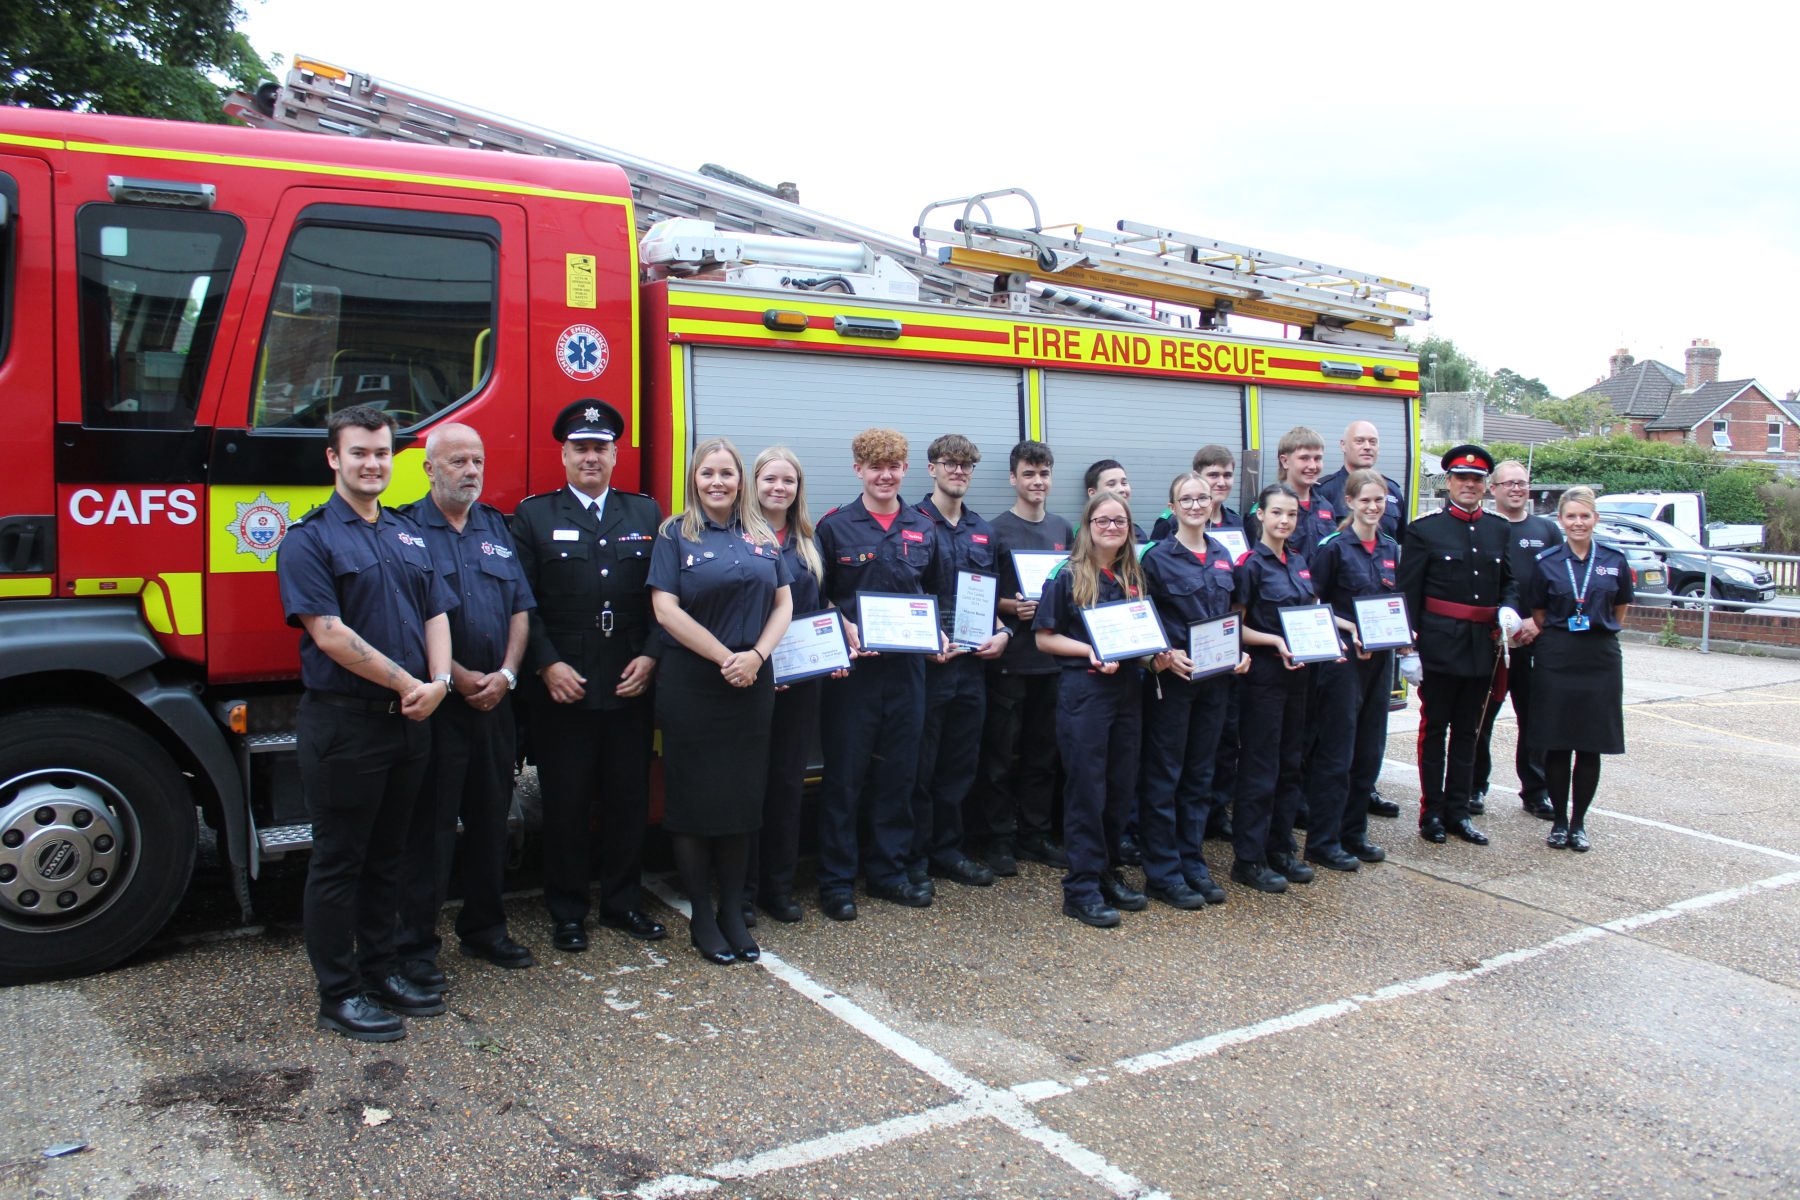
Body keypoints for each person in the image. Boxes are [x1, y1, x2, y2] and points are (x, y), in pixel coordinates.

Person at [277, 405, 456, 1042]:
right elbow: (327, 633)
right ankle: (339, 992)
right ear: (334, 458)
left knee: (391, 857)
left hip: (408, 723)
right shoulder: (310, 538)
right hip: (345, 726)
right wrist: (413, 686)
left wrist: (438, 683)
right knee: (339, 863)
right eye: (359, 453)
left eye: (381, 453)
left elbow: (437, 611)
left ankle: (382, 972)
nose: (372, 464)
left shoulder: (407, 535)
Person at [511, 400, 666, 953]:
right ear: (565, 454)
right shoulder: (533, 515)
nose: (591, 457)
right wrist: (546, 664)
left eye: (601, 447)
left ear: (615, 453)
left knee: (628, 801)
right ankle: (568, 911)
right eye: (581, 447)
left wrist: (650, 657)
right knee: (567, 803)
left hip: (629, 679)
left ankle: (624, 903)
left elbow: (663, 599)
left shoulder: (645, 513)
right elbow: (522, 602)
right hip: (563, 684)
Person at [395, 423, 536, 988]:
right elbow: (406, 616)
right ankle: (416, 946)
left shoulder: (497, 528)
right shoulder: (405, 531)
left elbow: (521, 608)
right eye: (457, 461)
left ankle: (485, 929)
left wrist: (505, 674)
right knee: (428, 829)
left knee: (489, 820)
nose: (470, 471)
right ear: (430, 468)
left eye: (476, 460)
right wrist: (454, 676)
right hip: (440, 706)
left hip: (495, 703)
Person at [649, 438, 793, 963]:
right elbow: (665, 609)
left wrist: (755, 655)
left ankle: (733, 910)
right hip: (694, 682)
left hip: (751, 681)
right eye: (707, 472)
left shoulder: (760, 535)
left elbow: (784, 601)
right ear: (694, 478)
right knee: (693, 802)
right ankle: (703, 919)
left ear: (740, 480)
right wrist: (724, 658)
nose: (717, 481)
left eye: (727, 473)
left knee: (741, 799)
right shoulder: (674, 532)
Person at [812, 428, 946, 920]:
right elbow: (817, 594)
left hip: (908, 671)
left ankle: (888, 872)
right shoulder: (834, 526)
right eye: (875, 467)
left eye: (893, 466)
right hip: (853, 675)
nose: (885, 475)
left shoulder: (922, 526)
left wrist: (939, 636)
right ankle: (837, 881)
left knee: (898, 774)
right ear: (858, 470)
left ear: (905, 469)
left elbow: (933, 594)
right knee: (845, 777)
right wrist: (840, 624)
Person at [1034, 491, 1173, 926]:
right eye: (1103, 521)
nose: (1111, 528)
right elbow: (1044, 638)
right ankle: (1080, 888)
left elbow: (1139, 638)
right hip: (1085, 694)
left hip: (1127, 694)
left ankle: (1108, 872)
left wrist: (1155, 657)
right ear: (1088, 526)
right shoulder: (1068, 575)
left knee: (1119, 788)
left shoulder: (1132, 576)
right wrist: (1090, 651)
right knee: (1087, 792)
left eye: (1120, 522)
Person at [1397, 444, 1522, 846]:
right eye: (1462, 478)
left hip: (1481, 647)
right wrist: (1407, 649)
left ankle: (1459, 811)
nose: (1469, 485)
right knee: (1434, 730)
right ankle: (1431, 812)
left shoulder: (1499, 529)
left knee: (1470, 731)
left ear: (1486, 485)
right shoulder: (1425, 530)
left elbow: (1511, 582)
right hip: (1438, 644)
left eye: (1477, 479)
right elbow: (1408, 594)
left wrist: (1509, 608)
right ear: (1448, 481)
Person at [1135, 472, 1249, 909]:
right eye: (1187, 498)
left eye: (1203, 497)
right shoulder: (1157, 558)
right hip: (1174, 681)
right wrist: (1163, 651)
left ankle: (1192, 861)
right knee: (1165, 776)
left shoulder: (1222, 555)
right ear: (1173, 505)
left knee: (1200, 774)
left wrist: (1238, 651)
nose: (1197, 505)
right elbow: (1142, 615)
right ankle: (1162, 871)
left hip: (1216, 682)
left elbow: (1231, 613)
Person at [911, 435, 1009, 891]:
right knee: (918, 765)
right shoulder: (910, 525)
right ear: (931, 469)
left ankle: (948, 850)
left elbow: (995, 598)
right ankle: (912, 856)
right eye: (950, 464)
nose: (959, 472)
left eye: (967, 465)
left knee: (959, 764)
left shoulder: (984, 531)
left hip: (971, 668)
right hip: (927, 667)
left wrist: (1004, 634)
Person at [971, 440, 1073, 875]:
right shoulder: (995, 531)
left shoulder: (1063, 529)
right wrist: (1014, 608)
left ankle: (1035, 834)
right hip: (1010, 660)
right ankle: (997, 840)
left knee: (1042, 755)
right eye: (1029, 474)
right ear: (1013, 478)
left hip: (1052, 662)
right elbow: (980, 596)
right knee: (998, 757)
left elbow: (1071, 592)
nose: (1037, 482)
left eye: (1044, 473)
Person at [1231, 482, 1338, 893]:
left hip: (1299, 674)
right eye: (1276, 513)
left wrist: (1325, 640)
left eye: (1291, 515)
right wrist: (1275, 641)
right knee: (1260, 767)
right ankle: (1249, 858)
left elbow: (1310, 611)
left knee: (1291, 763)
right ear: (1260, 514)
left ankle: (1280, 848)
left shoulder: (1298, 562)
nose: (1284, 521)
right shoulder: (1249, 565)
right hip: (1264, 677)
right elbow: (1236, 626)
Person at [749, 446, 833, 924]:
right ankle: (744, 886)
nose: (779, 488)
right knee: (748, 784)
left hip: (800, 682)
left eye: (789, 481)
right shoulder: (738, 536)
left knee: (786, 784)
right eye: (770, 479)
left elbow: (821, 606)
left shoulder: (808, 542)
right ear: (753, 483)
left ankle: (777, 888)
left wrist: (835, 643)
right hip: (752, 677)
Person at [1523, 487, 1633, 852]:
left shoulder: (1615, 560)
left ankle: (1579, 822)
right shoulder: (1548, 561)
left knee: (1589, 744)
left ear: (1595, 519)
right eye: (1571, 516)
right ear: (1561, 521)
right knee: (1557, 742)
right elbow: (1539, 611)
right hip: (1557, 655)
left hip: (1598, 656)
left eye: (1584, 516)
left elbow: (1620, 608)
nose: (1578, 522)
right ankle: (1557, 822)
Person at [1302, 468, 1400, 871]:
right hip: (1342, 661)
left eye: (1378, 501)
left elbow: (1395, 601)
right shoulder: (1333, 548)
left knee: (1369, 750)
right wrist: (1349, 629)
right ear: (1350, 503)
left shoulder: (1392, 548)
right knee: (1336, 753)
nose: (1373, 507)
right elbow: (1312, 603)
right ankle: (1323, 841)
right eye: (1365, 501)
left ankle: (1354, 833)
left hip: (1380, 660)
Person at [1472, 460, 1560, 819]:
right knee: (1479, 720)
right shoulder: (1483, 528)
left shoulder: (1547, 531)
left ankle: (1536, 791)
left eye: (1521, 483)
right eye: (1507, 483)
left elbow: (1560, 585)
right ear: (1493, 489)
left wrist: (1537, 623)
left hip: (1534, 641)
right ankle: (1474, 786)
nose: (1515, 489)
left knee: (1535, 721)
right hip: (1492, 643)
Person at [1245, 427, 1336, 561]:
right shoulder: (1266, 509)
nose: (1312, 466)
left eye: (1317, 458)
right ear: (1285, 461)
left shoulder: (1326, 507)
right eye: (1304, 458)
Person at [1314, 420, 1408, 544]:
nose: (1367, 447)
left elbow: (1399, 540)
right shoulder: (1323, 491)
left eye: (1373, 442)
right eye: (1359, 441)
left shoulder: (1392, 491)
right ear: (1343, 445)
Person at [1150, 444, 1245, 544]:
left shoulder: (1237, 522)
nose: (1221, 483)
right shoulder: (1171, 522)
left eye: (1227, 475)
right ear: (1196, 476)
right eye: (1213, 475)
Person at [1085, 459, 1148, 543]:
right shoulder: (1082, 534)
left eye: (1124, 483)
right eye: (1111, 484)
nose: (1121, 489)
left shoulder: (1138, 533)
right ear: (1093, 493)